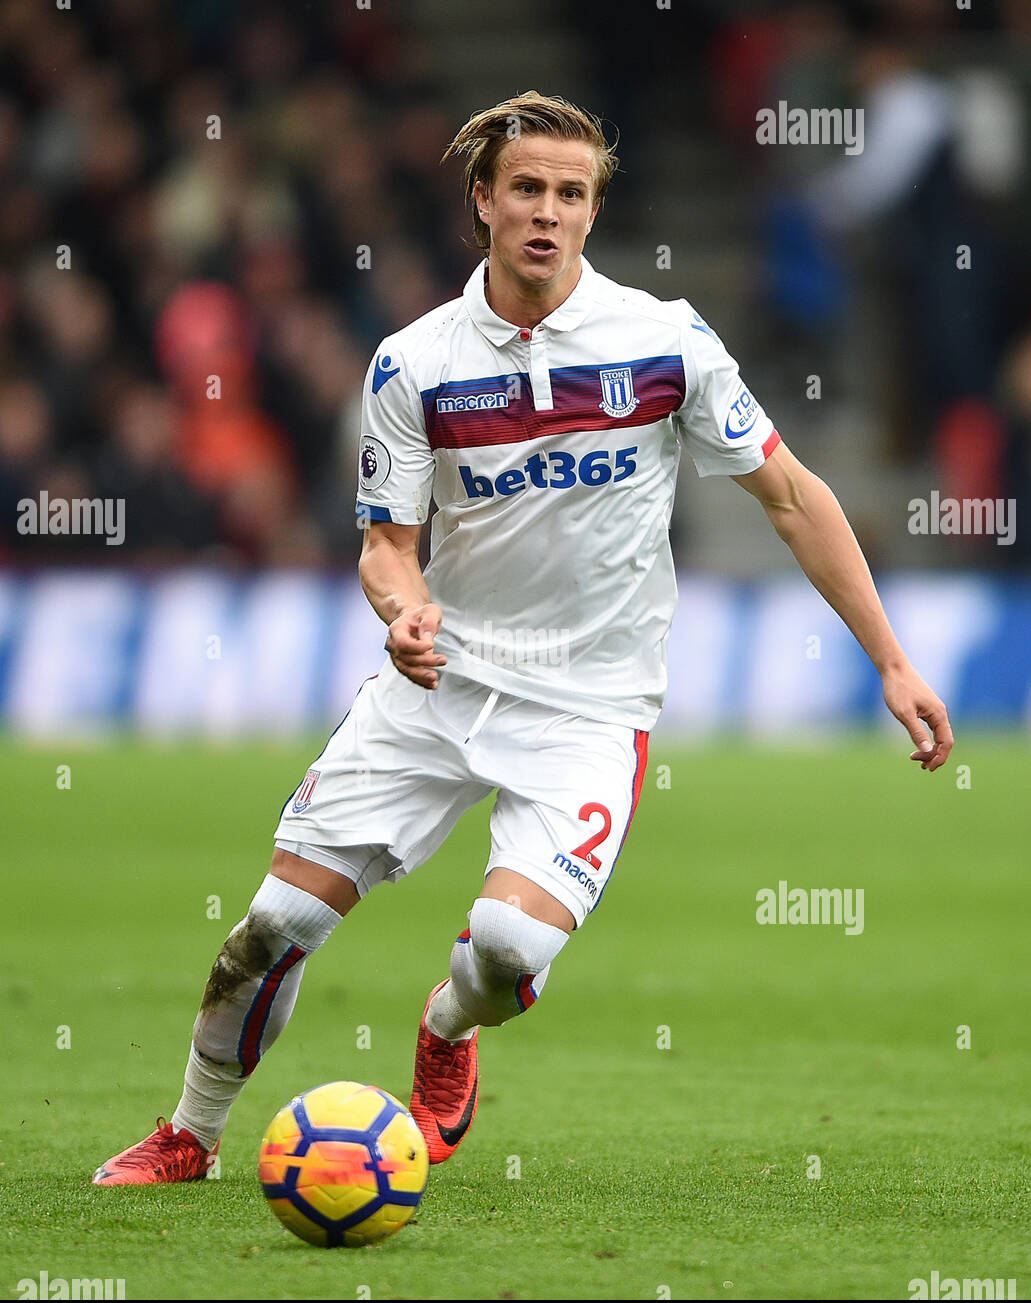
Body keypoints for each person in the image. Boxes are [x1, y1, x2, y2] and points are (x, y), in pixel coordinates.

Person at [93, 91, 953, 1193]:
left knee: (503, 955)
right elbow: (385, 544)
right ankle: (190, 1132)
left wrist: (887, 656)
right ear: (483, 202)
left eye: (570, 193)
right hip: (437, 685)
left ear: (592, 212)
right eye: (527, 190)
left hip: (589, 709)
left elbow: (788, 495)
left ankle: (449, 1022)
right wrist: (400, 609)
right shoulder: (416, 363)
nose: (547, 212)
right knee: (270, 926)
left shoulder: (663, 341)